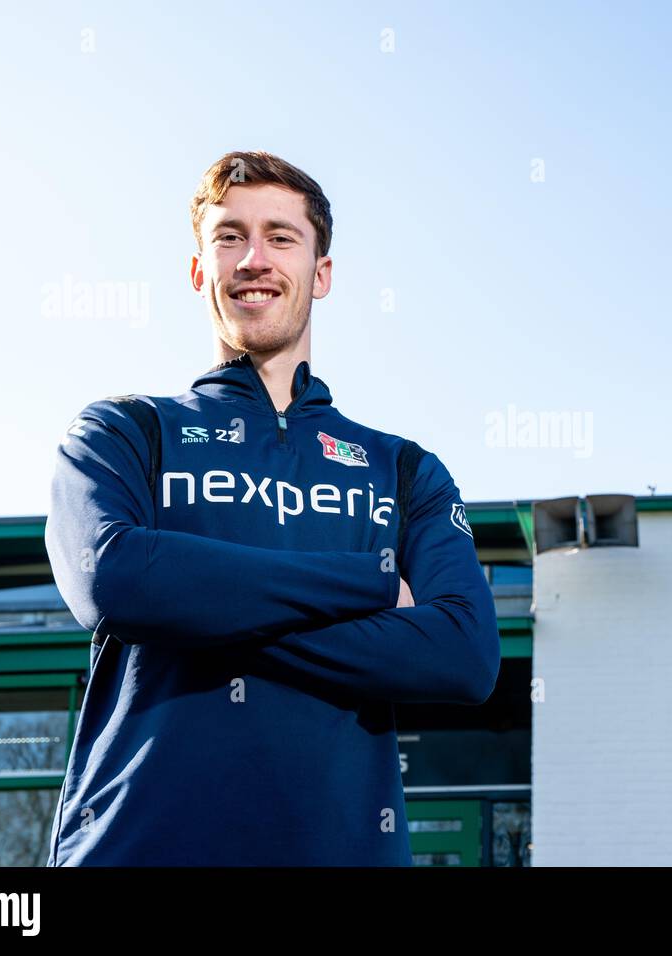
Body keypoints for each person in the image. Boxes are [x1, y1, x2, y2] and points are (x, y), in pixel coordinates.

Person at [43, 150, 499, 865]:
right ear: (200, 271)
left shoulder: (404, 470)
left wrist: (191, 612)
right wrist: (374, 585)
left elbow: (464, 656)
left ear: (320, 274)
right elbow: (114, 579)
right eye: (229, 237)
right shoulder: (124, 432)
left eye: (281, 237)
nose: (254, 258)